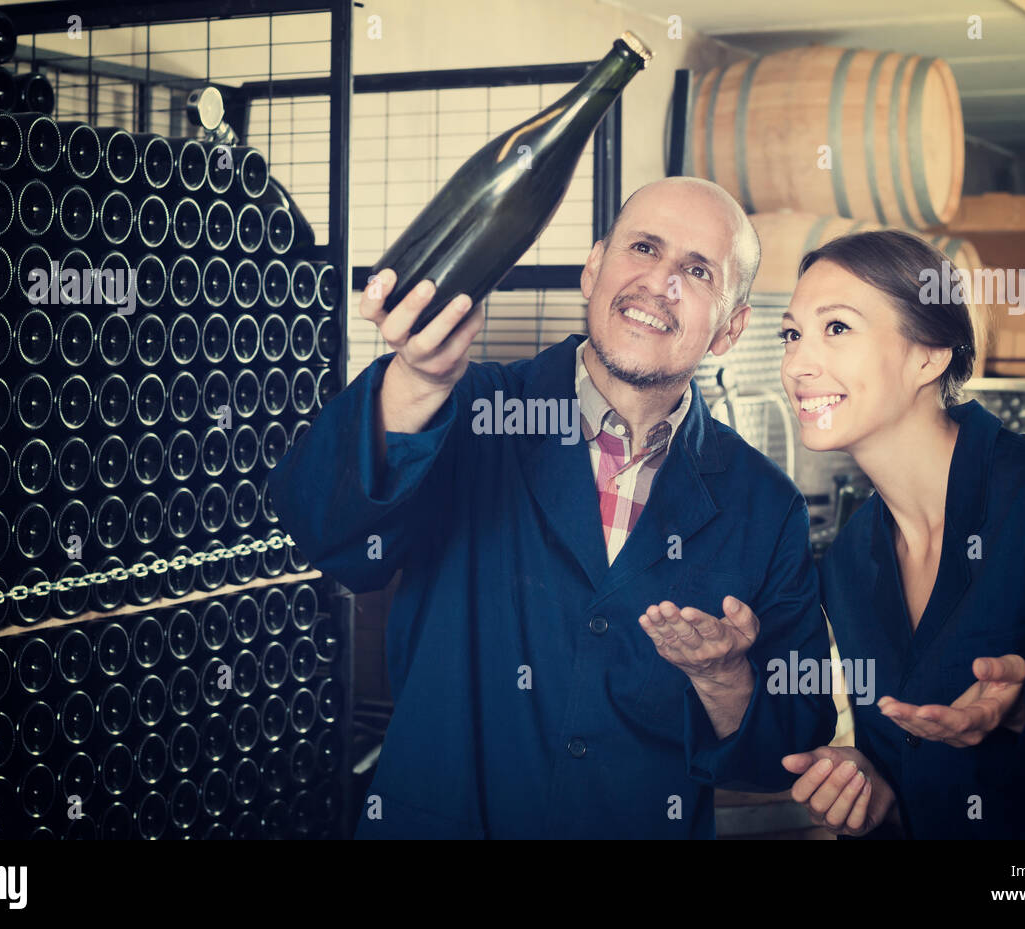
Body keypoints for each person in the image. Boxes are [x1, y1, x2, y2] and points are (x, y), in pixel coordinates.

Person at [268, 176, 837, 838]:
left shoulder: (766, 505)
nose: (661, 283)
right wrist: (416, 380)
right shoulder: (464, 411)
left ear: (730, 330)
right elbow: (326, 532)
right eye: (643, 247)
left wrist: (724, 677)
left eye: (698, 270)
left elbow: (792, 745)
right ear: (593, 269)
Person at [777, 229, 1025, 839]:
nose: (799, 364)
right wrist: (878, 797)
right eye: (792, 334)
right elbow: (909, 778)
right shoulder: (852, 563)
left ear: (928, 357)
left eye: (837, 328)